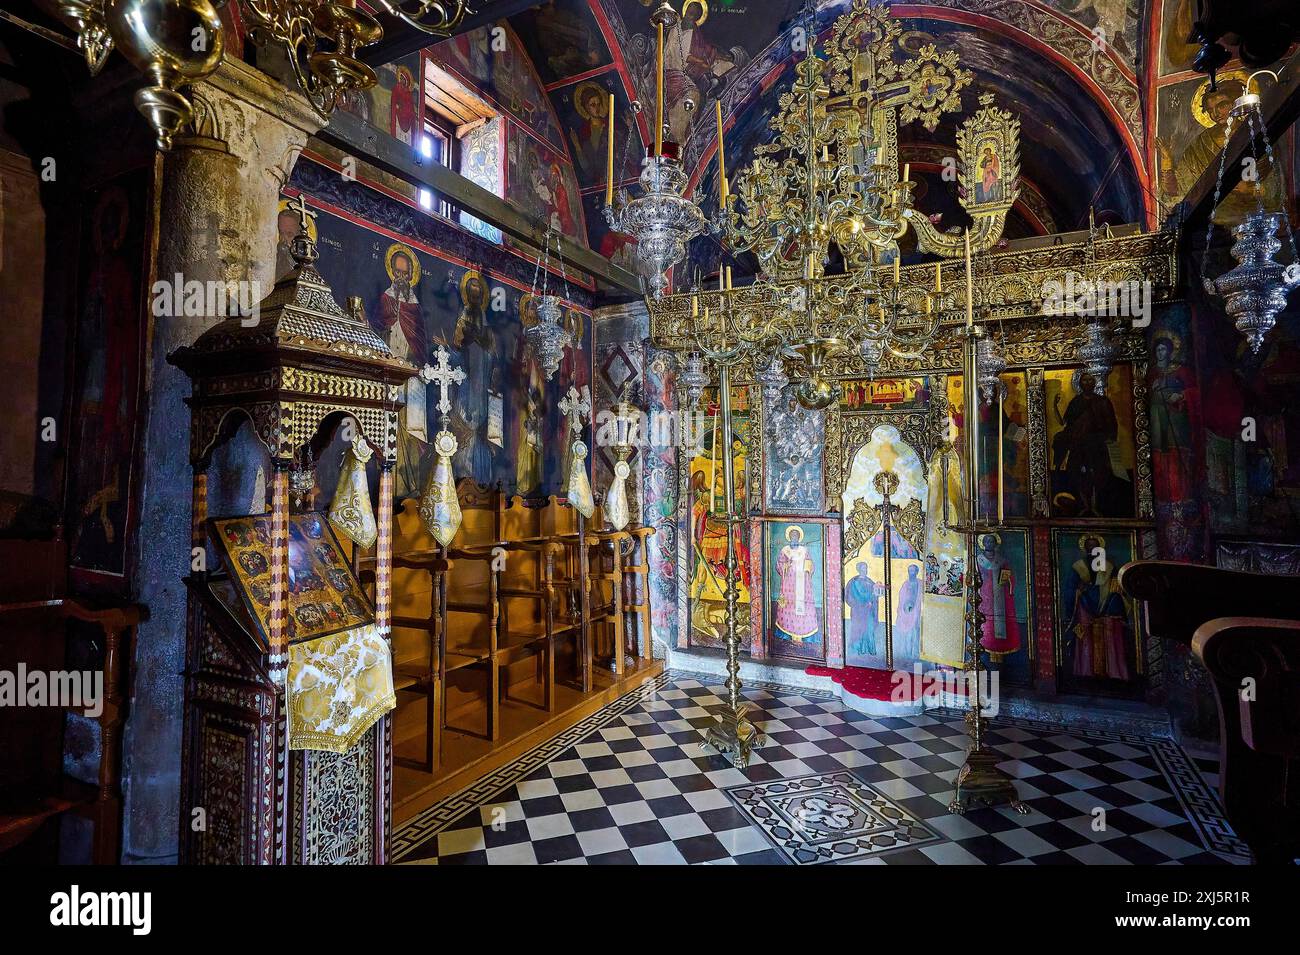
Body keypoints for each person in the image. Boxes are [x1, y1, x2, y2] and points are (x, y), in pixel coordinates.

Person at [844, 562, 879, 656]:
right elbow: (853, 596)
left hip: (868, 611)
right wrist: (864, 602)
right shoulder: (854, 582)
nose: (865, 570)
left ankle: (868, 649)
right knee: (858, 629)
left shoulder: (870, 582)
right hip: (858, 611)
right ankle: (857, 649)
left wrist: (875, 596)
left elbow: (874, 594)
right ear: (859, 569)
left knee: (869, 629)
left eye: (866, 568)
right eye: (863, 568)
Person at [893, 563, 922, 662]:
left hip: (916, 612)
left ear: (916, 572)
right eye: (909, 571)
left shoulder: (920, 583)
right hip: (906, 613)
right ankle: (906, 654)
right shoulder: (905, 584)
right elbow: (901, 598)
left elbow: (922, 597)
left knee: (915, 633)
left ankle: (915, 654)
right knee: (906, 634)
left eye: (913, 571)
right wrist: (901, 610)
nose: (911, 573)